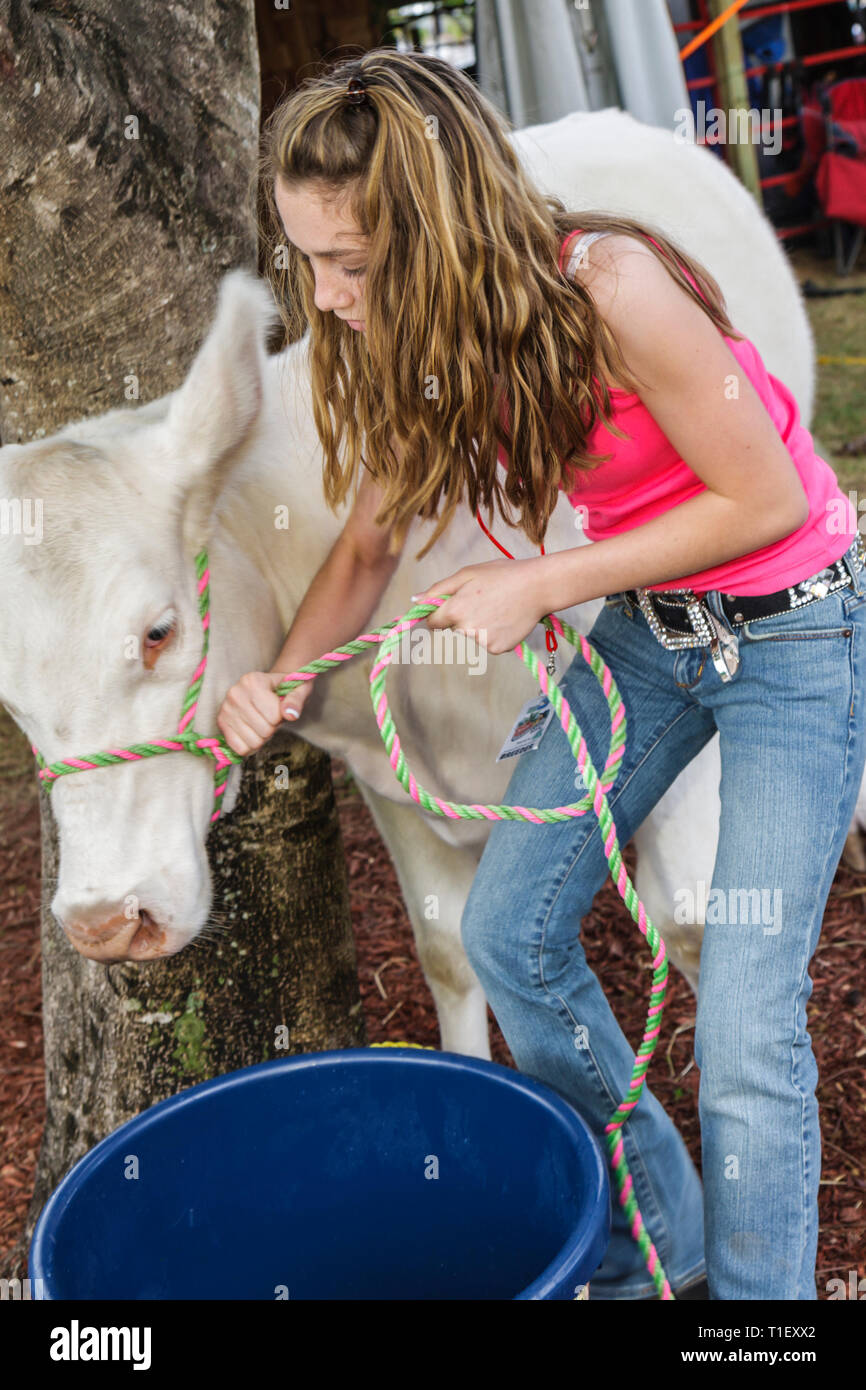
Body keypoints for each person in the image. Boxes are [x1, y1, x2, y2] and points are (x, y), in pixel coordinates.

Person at [215, 48, 866, 1301]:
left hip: (787, 635)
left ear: (440, 226)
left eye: (350, 262)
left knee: (738, 1024)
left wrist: (541, 583)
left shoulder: (610, 284)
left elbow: (763, 497)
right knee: (509, 934)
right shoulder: (426, 337)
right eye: (306, 260)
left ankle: (755, 1318)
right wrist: (281, 681)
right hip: (650, 637)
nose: (328, 296)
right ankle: (646, 1238)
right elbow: (367, 544)